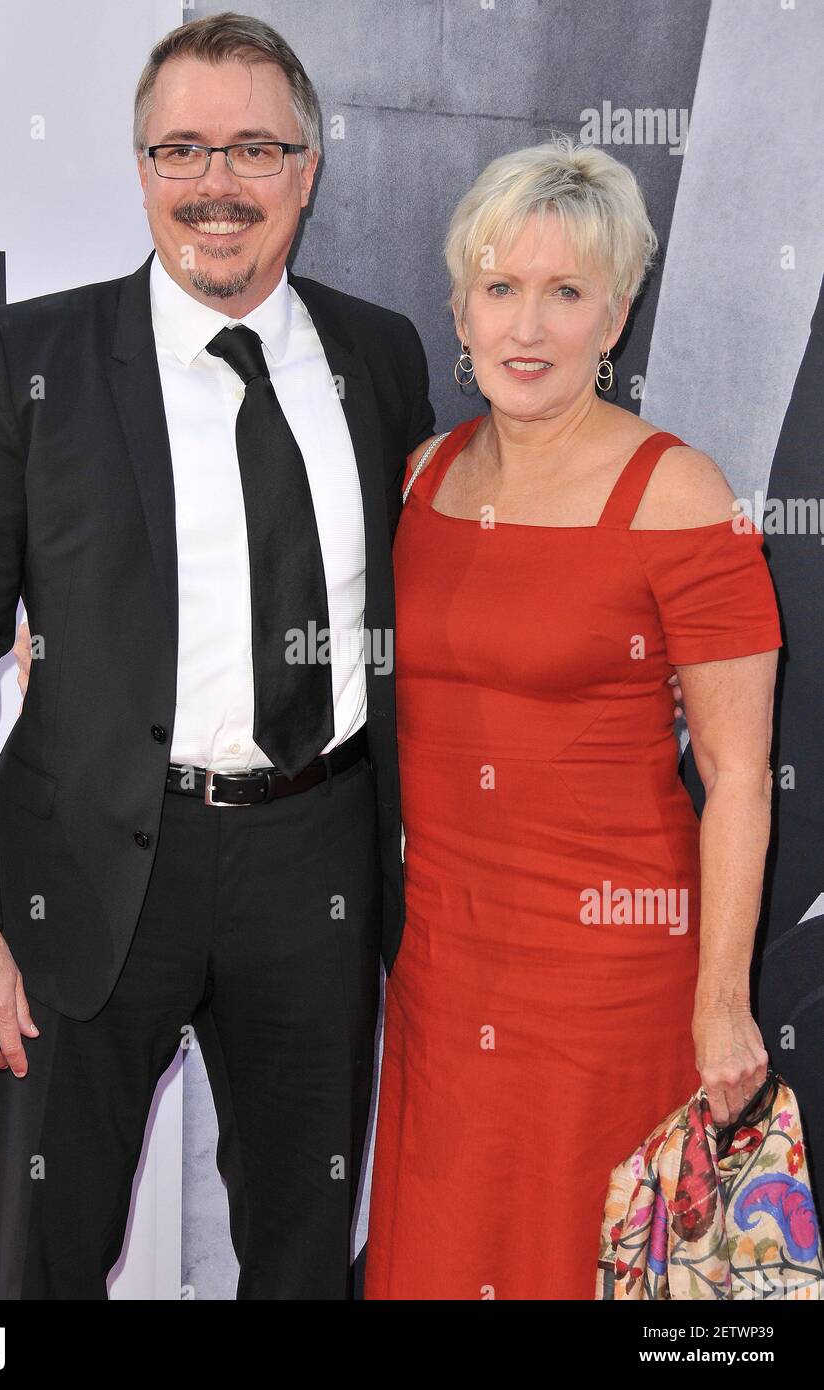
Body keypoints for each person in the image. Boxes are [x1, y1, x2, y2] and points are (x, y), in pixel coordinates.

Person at [0, 12, 435, 1300]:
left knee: (305, 1261)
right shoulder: (33, 357)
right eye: (181, 149)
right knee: (49, 1261)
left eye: (255, 149)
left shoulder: (380, 354)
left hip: (317, 864)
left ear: (310, 168)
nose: (217, 186)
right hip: (78, 874)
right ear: (140, 167)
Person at [364, 136, 782, 1301]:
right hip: (444, 969)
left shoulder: (678, 493)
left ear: (617, 315)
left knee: (577, 1262)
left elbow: (741, 775)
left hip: (611, 974)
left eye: (565, 294)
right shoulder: (421, 477)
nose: (527, 328)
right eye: (500, 289)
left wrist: (722, 999)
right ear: (459, 305)